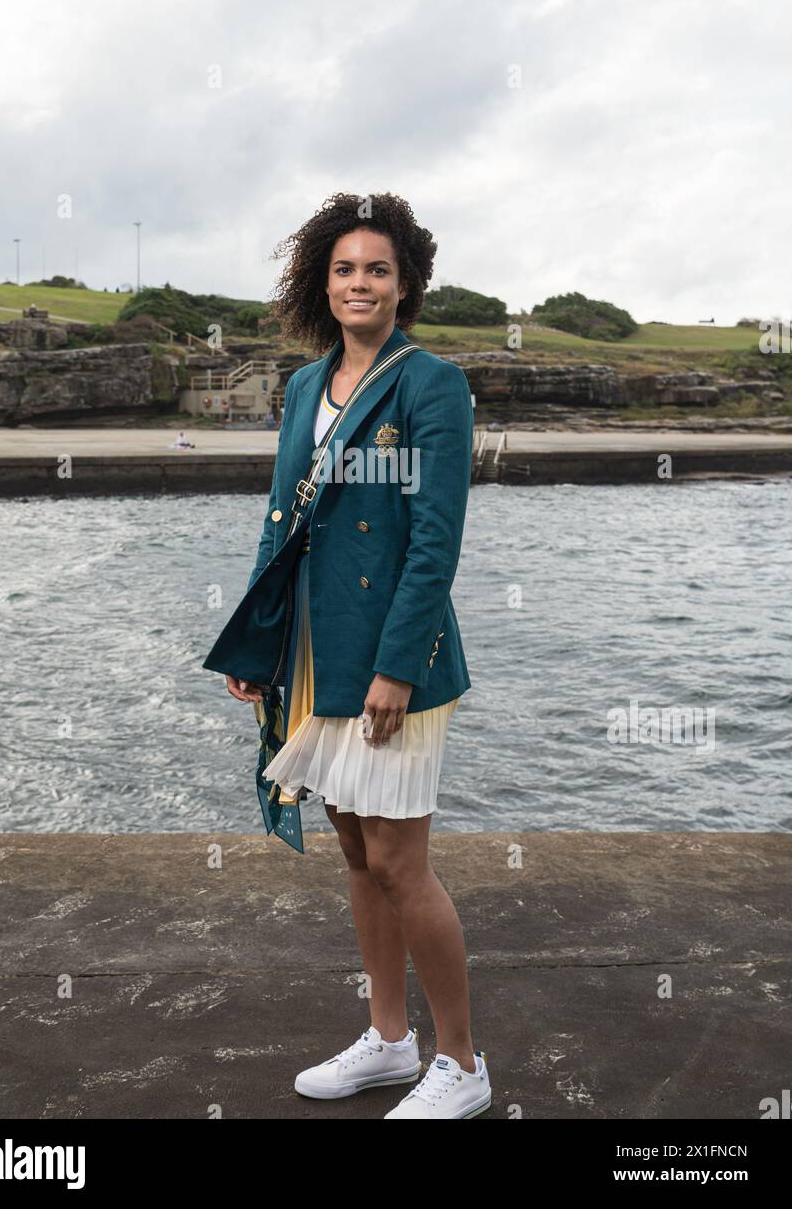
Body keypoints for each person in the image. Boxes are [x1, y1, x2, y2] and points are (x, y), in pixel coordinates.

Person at [203, 191, 489, 1119]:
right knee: (358, 855)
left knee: (403, 863)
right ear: (320, 282)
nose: (358, 283)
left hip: (390, 661)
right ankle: (389, 1041)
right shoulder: (299, 387)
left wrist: (397, 667)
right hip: (314, 655)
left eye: (377, 269)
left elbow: (434, 540)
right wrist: (260, 639)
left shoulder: (430, 383)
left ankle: (462, 1065)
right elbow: (278, 523)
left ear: (404, 284)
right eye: (343, 269)